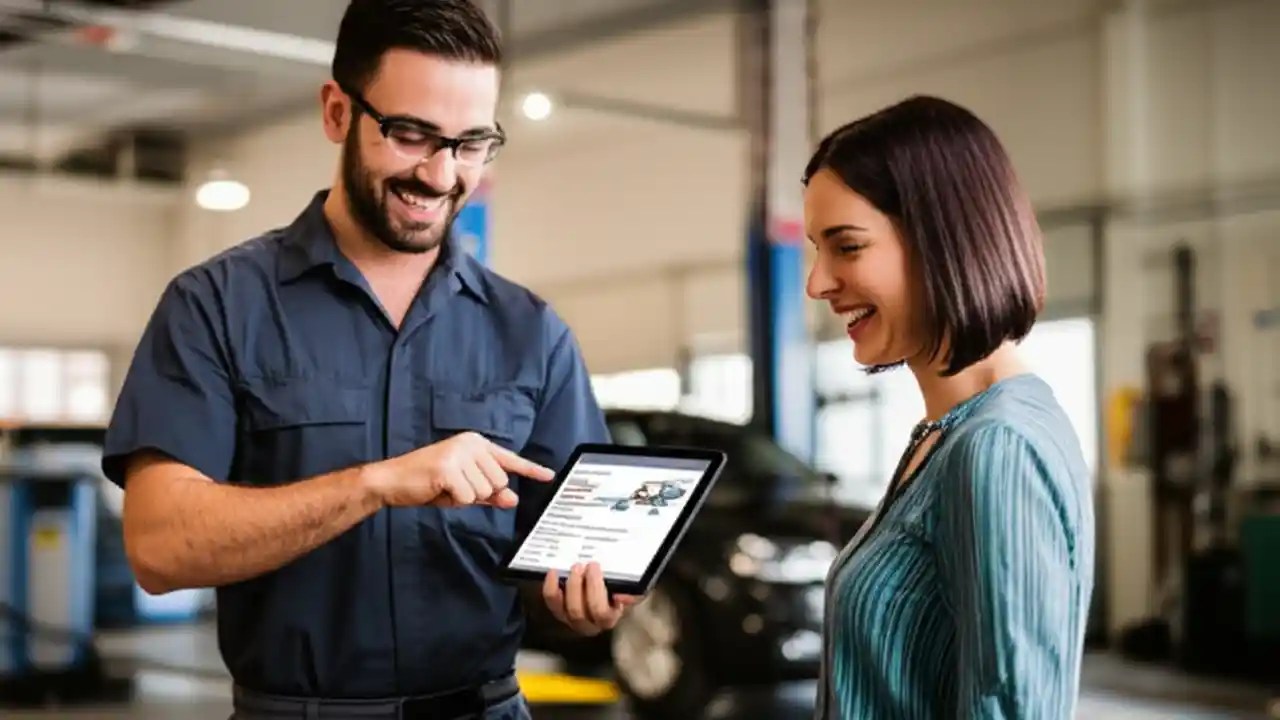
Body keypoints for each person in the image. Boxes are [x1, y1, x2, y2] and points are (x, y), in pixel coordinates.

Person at [102, 1, 635, 718]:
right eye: (411, 133)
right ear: (336, 113)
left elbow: (566, 553)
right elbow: (159, 547)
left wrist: (585, 601)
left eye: (472, 142)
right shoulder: (217, 306)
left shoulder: (532, 334)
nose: (441, 173)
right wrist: (376, 484)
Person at [803, 95, 1096, 719]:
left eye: (847, 248)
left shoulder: (998, 446)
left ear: (943, 241)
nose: (818, 282)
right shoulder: (948, 432)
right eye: (816, 250)